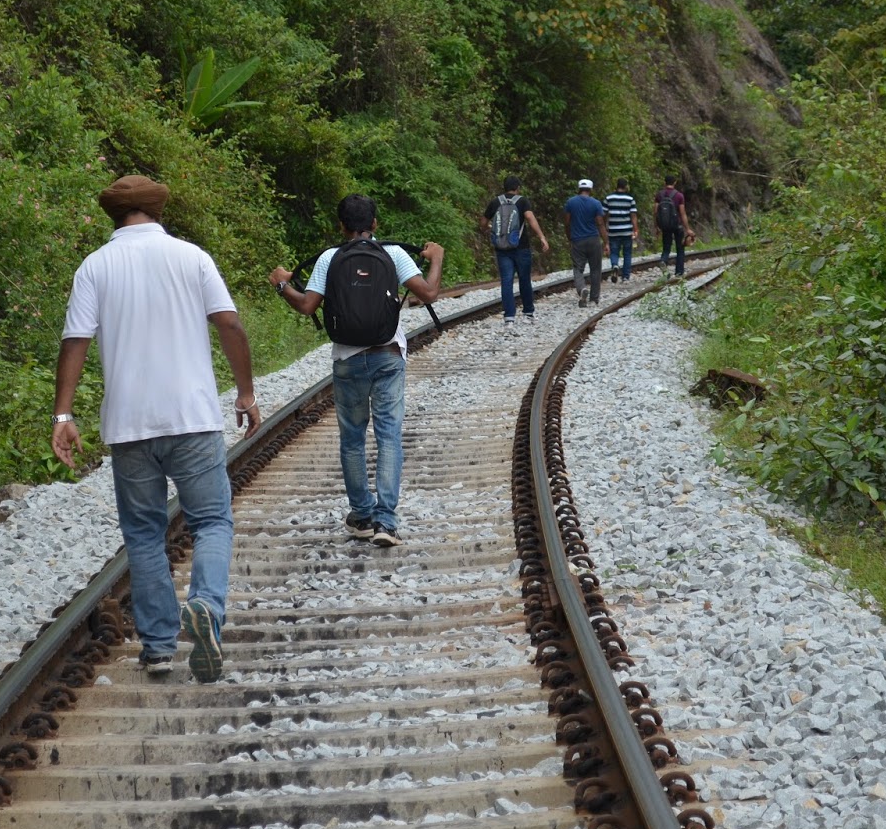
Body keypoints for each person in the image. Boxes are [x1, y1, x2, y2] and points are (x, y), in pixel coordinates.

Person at [52, 175, 260, 685]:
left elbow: (75, 340)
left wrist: (63, 415)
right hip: (191, 418)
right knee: (211, 521)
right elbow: (230, 324)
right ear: (158, 210)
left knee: (143, 535)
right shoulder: (191, 257)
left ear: (113, 216)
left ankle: (159, 648)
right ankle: (207, 606)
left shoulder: (94, 266)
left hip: (128, 426)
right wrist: (246, 392)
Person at [268, 195, 444, 548]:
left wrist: (281, 284)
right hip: (387, 355)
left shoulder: (329, 258)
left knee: (352, 438)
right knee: (389, 434)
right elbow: (428, 294)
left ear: (341, 227)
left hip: (347, 359)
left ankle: (362, 515)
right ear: (375, 224)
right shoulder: (393, 255)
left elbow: (306, 306)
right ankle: (387, 522)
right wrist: (436, 259)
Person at [479, 175, 551, 329]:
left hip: (501, 248)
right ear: (518, 188)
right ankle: (528, 314)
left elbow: (483, 222)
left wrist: (490, 230)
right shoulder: (522, 201)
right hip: (521, 247)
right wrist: (541, 237)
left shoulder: (495, 201)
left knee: (506, 281)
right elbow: (530, 218)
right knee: (524, 280)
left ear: (504, 187)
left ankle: (509, 318)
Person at [563, 178, 607, 306]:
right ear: (590, 189)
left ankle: (582, 289)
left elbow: (567, 222)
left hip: (577, 240)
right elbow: (600, 223)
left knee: (578, 269)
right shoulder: (596, 203)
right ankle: (594, 299)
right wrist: (606, 242)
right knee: (595, 269)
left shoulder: (570, 202)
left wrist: (569, 238)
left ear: (579, 189)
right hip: (593, 239)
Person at [654, 174, 693, 275]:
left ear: (664, 182)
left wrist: (657, 226)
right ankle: (679, 273)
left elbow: (656, 212)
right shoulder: (679, 195)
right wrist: (687, 228)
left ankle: (664, 261)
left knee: (666, 247)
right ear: (675, 183)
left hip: (665, 226)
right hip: (677, 225)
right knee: (680, 249)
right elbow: (682, 213)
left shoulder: (659, 195)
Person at [602, 177, 639, 283]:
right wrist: (635, 229)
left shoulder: (609, 198)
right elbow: (633, 215)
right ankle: (626, 277)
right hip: (627, 230)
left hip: (613, 230)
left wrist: (605, 227)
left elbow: (604, 214)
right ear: (626, 186)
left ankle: (615, 265)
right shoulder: (630, 199)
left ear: (616, 186)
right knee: (627, 253)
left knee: (614, 251)